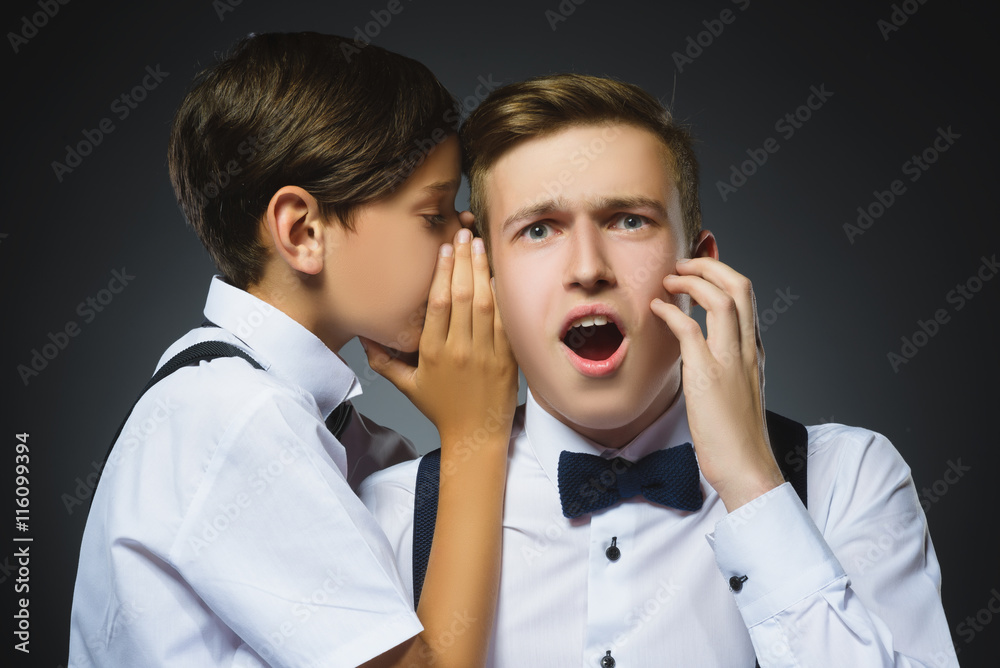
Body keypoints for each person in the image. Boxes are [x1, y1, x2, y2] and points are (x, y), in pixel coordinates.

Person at [360, 73, 959, 667]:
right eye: (539, 229)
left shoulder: (846, 480)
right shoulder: (394, 513)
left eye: (628, 220)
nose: (588, 268)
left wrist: (753, 486)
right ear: (487, 281)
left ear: (698, 266)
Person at [68, 32, 517, 668]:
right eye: (435, 212)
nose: (466, 241)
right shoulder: (230, 414)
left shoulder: (340, 434)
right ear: (303, 231)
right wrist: (479, 431)